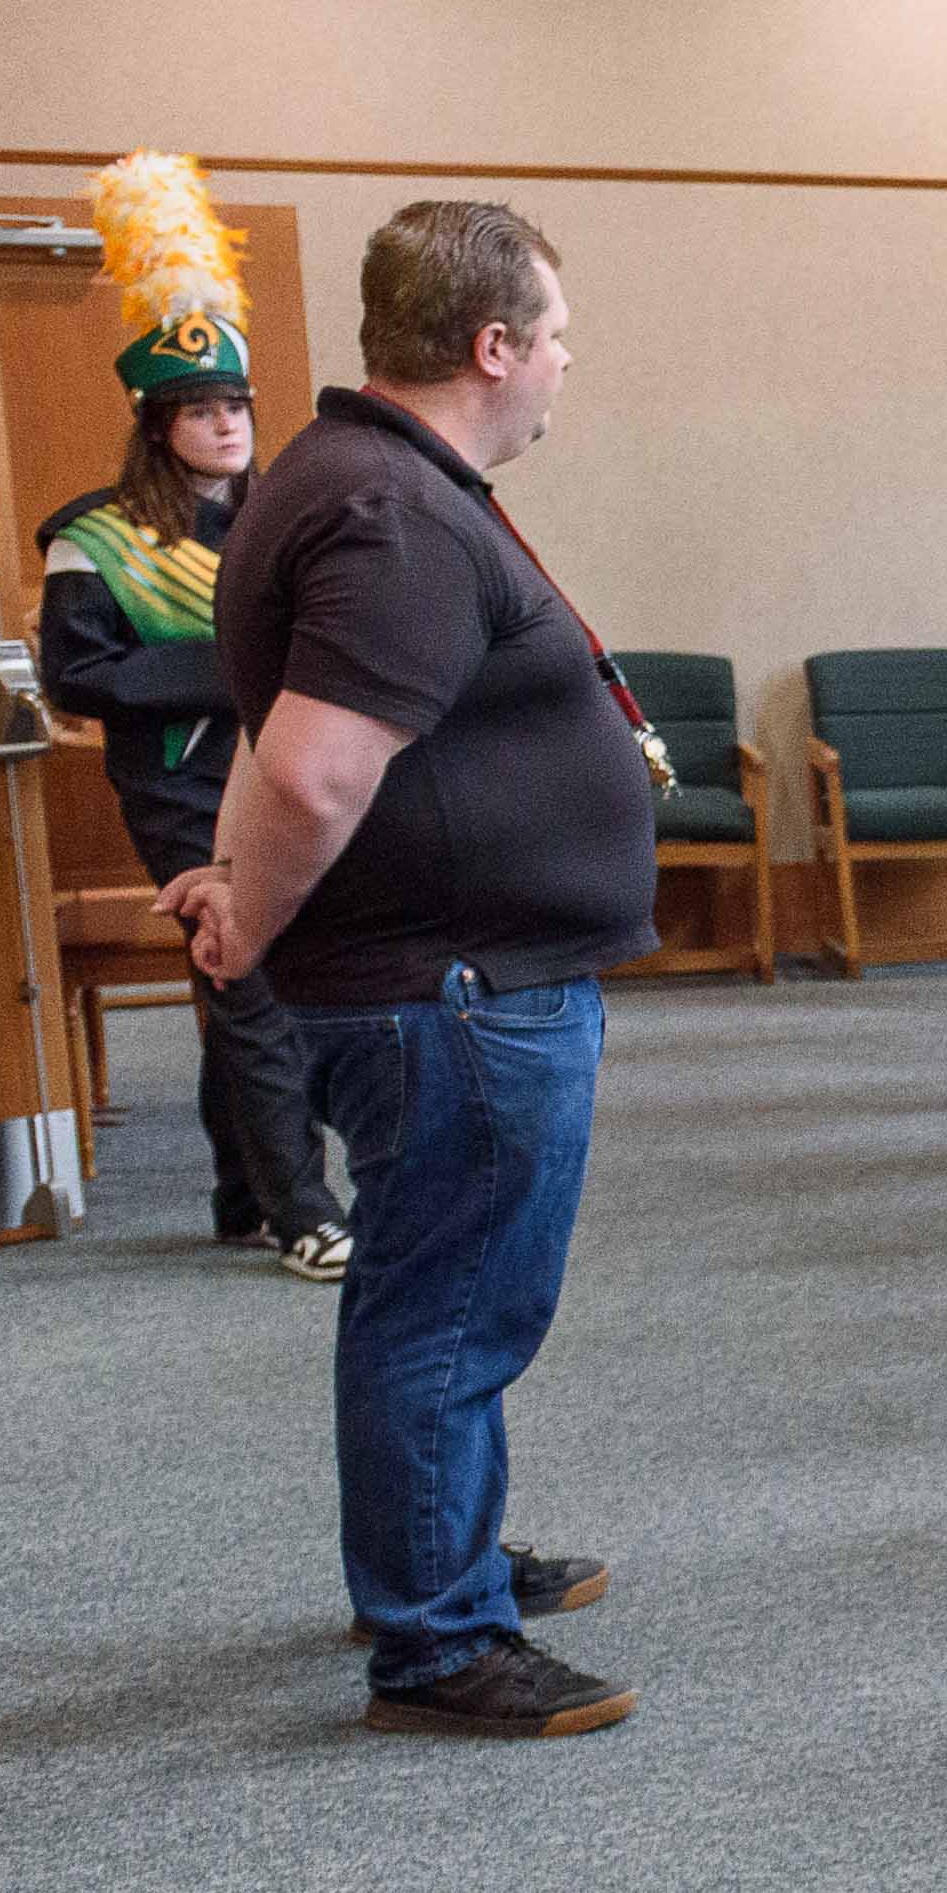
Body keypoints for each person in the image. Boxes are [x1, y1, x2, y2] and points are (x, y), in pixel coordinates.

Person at [174, 199, 650, 1737]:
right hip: (451, 995)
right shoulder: (390, 509)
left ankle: (446, 1557)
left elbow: (280, 734)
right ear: (491, 345)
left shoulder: (364, 475)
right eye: (558, 336)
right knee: (445, 1312)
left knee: (454, 1302)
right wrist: (254, 904)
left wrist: (246, 899)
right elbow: (311, 771)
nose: (569, 365)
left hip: (446, 979)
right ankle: (437, 1640)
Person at [31, 154, 344, 1275]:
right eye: (199, 408)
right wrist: (228, 670)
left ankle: (239, 1193)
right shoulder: (96, 538)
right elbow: (79, 676)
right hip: (177, 786)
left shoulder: (286, 518)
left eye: (234, 404)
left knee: (255, 978)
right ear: (155, 423)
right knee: (250, 979)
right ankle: (306, 1206)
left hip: (288, 775)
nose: (224, 424)